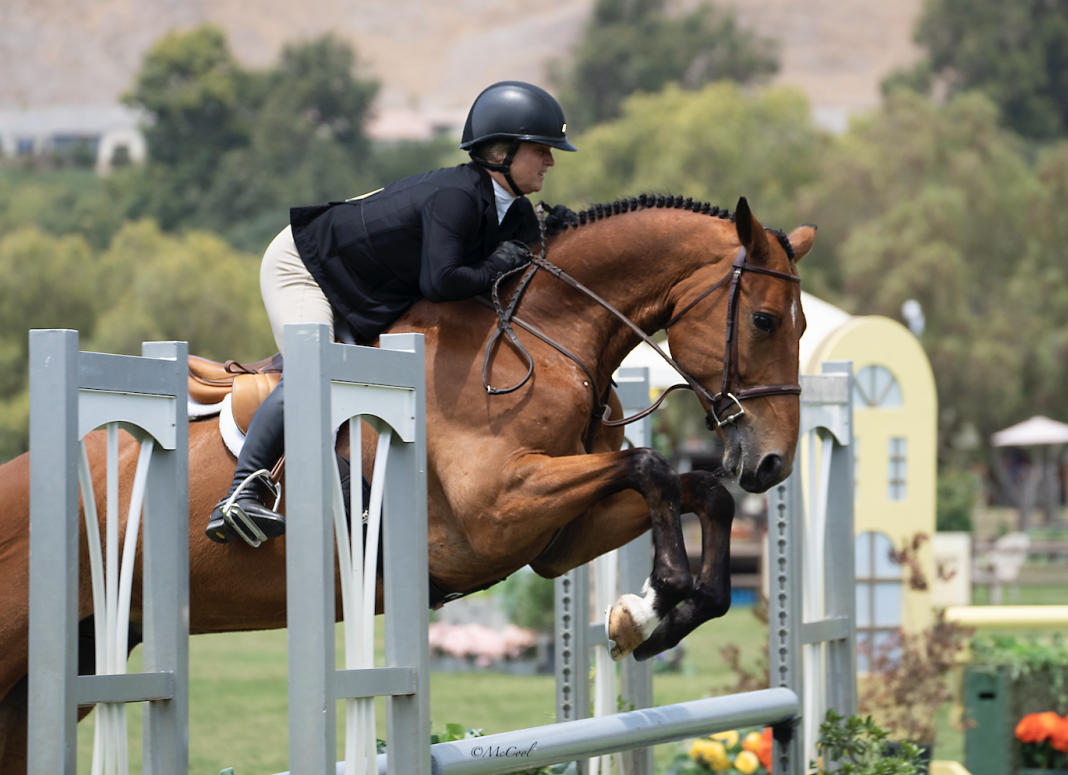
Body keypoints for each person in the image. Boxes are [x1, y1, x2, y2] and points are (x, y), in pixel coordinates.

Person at [207, 80, 576, 545]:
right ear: (501, 152)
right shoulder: (455, 196)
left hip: (368, 290)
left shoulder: (514, 211)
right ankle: (242, 492)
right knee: (315, 369)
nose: (551, 160)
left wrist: (557, 236)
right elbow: (441, 282)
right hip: (305, 267)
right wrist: (496, 265)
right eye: (542, 149)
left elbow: (520, 266)